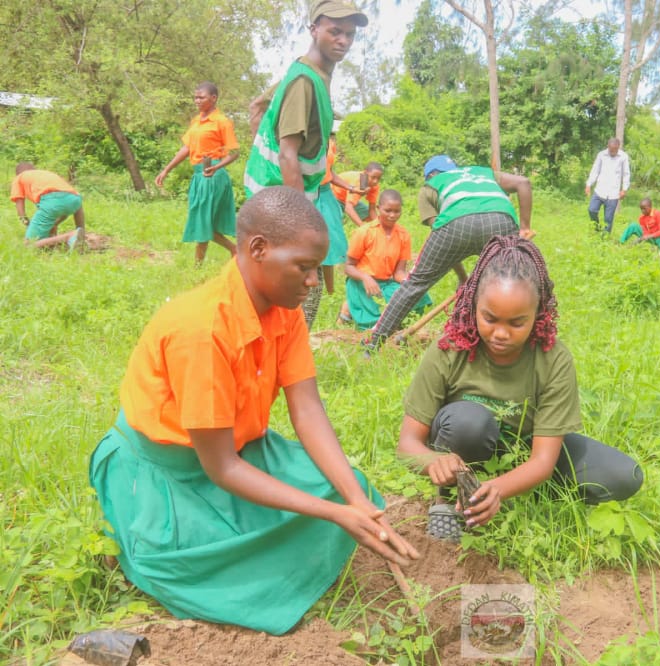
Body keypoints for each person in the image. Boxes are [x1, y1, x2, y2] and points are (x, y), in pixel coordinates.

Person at [88, 186, 419, 635]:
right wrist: (336, 514)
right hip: (171, 468)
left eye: (316, 268)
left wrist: (353, 500)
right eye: (303, 268)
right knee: (209, 571)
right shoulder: (202, 330)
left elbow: (306, 408)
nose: (312, 282)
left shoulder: (285, 309)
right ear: (258, 249)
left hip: (242, 450)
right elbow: (221, 467)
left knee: (349, 487)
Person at [396, 235, 644, 541]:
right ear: (473, 304)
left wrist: (499, 489)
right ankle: (449, 500)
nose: (500, 333)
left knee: (623, 476)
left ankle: (519, 493)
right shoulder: (448, 350)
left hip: (526, 448)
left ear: (537, 314)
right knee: (469, 423)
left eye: (516, 323)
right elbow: (407, 444)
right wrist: (433, 462)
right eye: (489, 318)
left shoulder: (553, 359)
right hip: (466, 446)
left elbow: (542, 460)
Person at [244, 0, 368, 329]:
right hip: (278, 203)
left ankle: (283, 358)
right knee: (298, 291)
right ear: (313, 30)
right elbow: (288, 154)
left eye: (350, 35)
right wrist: (300, 227)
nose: (343, 40)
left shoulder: (313, 73)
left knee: (289, 298)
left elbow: (261, 105)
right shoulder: (305, 82)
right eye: (334, 31)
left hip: (282, 199)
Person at [364, 154, 534, 348]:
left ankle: (373, 342)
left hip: (455, 224)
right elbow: (523, 182)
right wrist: (524, 228)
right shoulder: (482, 172)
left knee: (416, 283)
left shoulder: (430, 186)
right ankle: (525, 338)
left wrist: (462, 277)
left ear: (430, 175)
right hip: (501, 220)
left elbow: (446, 243)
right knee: (512, 280)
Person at [155, 82, 238, 265]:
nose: (197, 100)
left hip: (213, 175)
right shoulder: (196, 121)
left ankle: (217, 257)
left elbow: (234, 152)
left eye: (201, 97)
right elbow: (187, 148)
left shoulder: (222, 122)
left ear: (213, 98)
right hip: (199, 175)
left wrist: (216, 168)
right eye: (196, 97)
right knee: (203, 220)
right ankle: (212, 260)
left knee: (203, 221)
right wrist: (166, 169)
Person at [341, 189, 431, 329]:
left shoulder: (403, 235)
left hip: (386, 284)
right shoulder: (364, 232)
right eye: (388, 210)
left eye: (397, 211)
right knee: (372, 323)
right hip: (362, 283)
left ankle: (355, 308)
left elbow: (398, 273)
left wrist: (412, 283)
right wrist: (366, 278)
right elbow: (348, 266)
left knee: (420, 297)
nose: (392, 215)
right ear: (378, 208)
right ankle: (349, 309)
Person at [9, 162, 85, 250]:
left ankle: (69, 236)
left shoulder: (20, 177)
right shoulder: (46, 174)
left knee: (29, 245)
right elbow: (71, 202)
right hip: (75, 200)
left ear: (18, 173)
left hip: (52, 201)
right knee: (50, 221)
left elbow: (19, 202)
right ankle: (79, 236)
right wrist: (81, 228)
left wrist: (26, 222)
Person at [585, 137, 630, 234]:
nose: (612, 152)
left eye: (615, 150)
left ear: (618, 147)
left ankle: (605, 238)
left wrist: (624, 189)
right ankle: (596, 229)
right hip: (599, 190)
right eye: (611, 150)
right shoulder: (601, 155)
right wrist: (588, 184)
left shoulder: (623, 157)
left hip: (613, 194)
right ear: (608, 147)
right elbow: (595, 170)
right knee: (592, 210)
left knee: (608, 219)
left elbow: (626, 174)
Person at [332, 162, 383, 227]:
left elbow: (372, 210)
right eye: (373, 177)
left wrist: (380, 227)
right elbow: (348, 208)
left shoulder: (374, 186)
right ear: (365, 173)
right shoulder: (357, 181)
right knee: (334, 224)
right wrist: (362, 226)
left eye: (378, 178)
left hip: (347, 199)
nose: (375, 181)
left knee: (372, 220)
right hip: (333, 196)